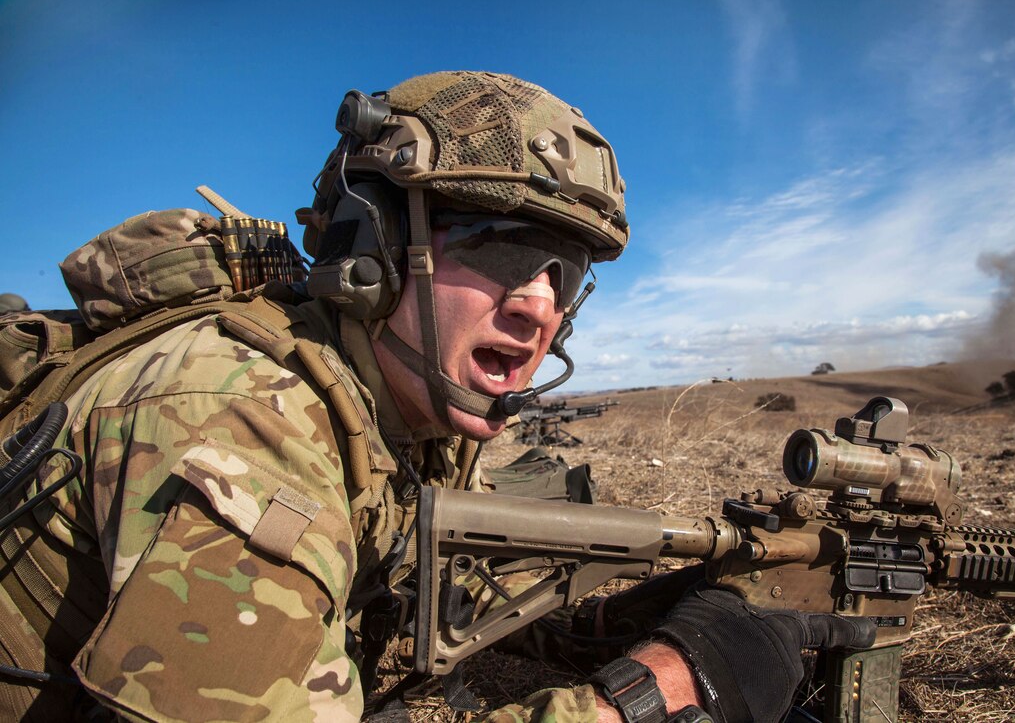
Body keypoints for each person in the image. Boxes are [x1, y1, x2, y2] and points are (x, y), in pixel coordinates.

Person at [0, 71, 872, 722]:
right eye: (498, 247)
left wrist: (676, 612)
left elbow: (472, 593)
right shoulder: (244, 413)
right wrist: (656, 694)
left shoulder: (405, 412)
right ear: (370, 243)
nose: (539, 305)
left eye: (564, 273)